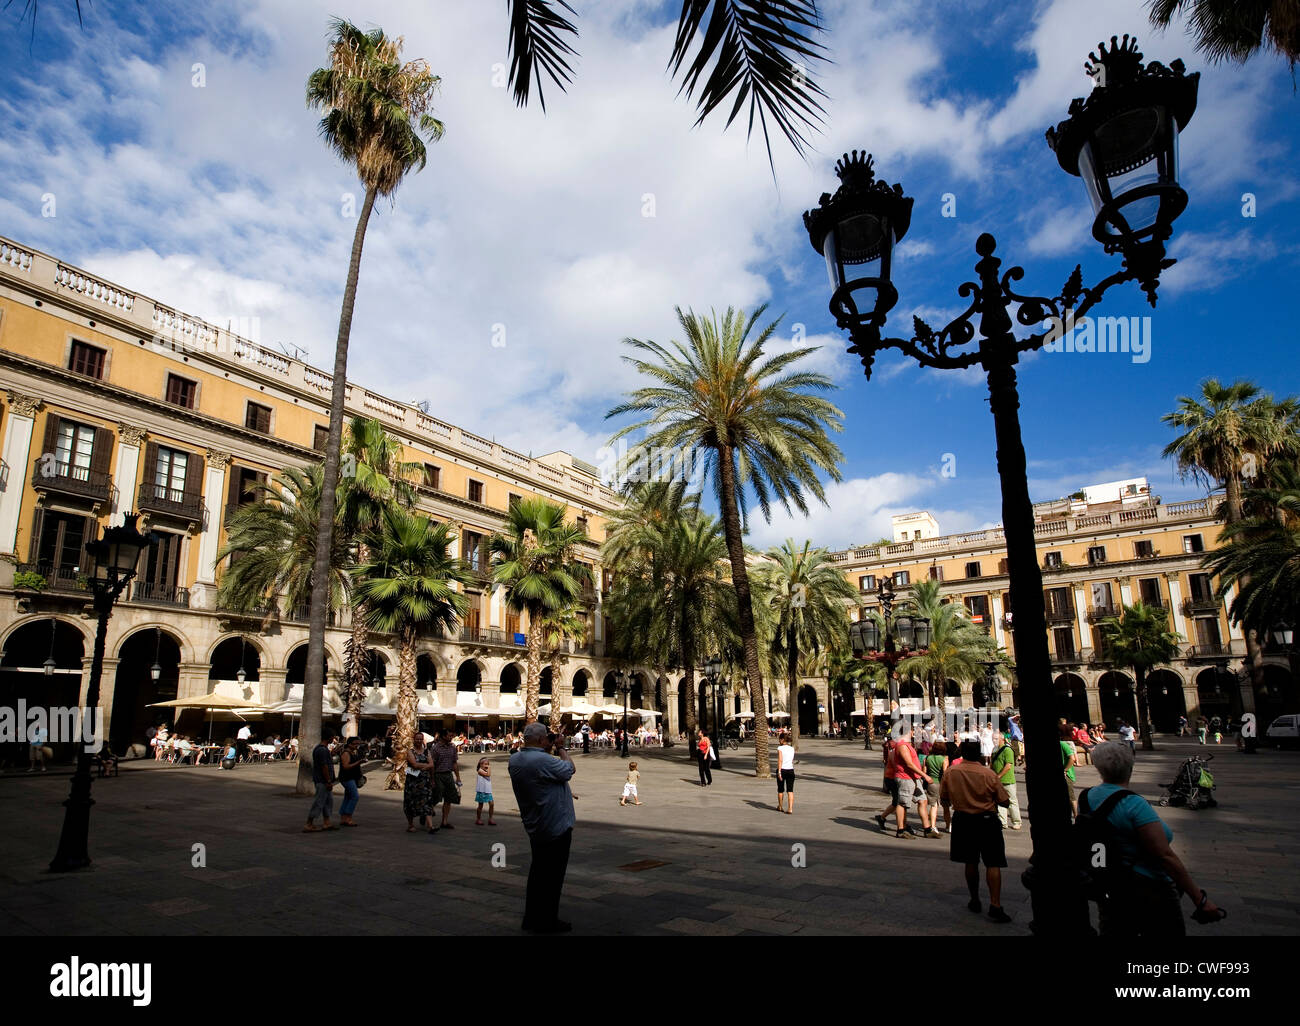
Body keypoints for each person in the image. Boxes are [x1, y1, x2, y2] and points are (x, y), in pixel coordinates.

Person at [1084, 742, 1225, 935]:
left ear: (1098, 768)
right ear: (1131, 768)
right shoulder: (1134, 804)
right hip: (1148, 887)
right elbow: (1164, 856)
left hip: (1110, 884)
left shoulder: (1086, 797)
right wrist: (1199, 898)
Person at [509, 721, 577, 934]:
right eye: (547, 737)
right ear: (541, 740)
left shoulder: (515, 760)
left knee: (538, 874)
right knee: (552, 878)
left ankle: (531, 918)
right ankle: (548, 920)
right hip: (555, 825)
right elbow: (569, 769)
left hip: (535, 824)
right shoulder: (543, 760)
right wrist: (561, 747)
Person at [941, 740, 1013, 923]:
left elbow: (944, 798)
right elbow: (1004, 800)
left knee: (970, 861)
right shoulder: (988, 774)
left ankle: (974, 899)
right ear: (979, 753)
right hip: (987, 821)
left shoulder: (951, 772)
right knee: (993, 862)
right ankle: (995, 905)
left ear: (962, 753)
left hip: (963, 821)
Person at [875, 722, 935, 839]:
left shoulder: (907, 744)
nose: (914, 732)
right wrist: (925, 775)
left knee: (922, 801)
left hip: (913, 777)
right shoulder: (901, 745)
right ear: (908, 731)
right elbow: (908, 764)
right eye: (913, 730)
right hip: (905, 778)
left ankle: (927, 829)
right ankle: (901, 830)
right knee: (901, 803)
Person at [990, 729, 1021, 829]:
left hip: (1008, 780)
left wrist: (998, 776)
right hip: (997, 781)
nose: (993, 740)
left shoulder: (1007, 750)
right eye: (993, 739)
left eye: (995, 739)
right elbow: (992, 764)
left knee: (1012, 801)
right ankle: (1002, 822)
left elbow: (1008, 766)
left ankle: (1016, 822)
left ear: (1002, 739)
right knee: (999, 801)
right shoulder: (994, 750)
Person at [431, 728, 462, 829]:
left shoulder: (452, 747)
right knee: (436, 797)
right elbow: (432, 764)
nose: (451, 737)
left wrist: (458, 777)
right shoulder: (436, 748)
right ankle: (427, 811)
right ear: (443, 736)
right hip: (438, 774)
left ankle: (444, 821)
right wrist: (432, 779)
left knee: (449, 798)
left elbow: (454, 763)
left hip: (448, 775)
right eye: (449, 736)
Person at [304, 736, 336, 832]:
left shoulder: (322, 749)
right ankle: (309, 823)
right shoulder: (322, 750)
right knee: (319, 801)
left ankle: (327, 822)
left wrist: (332, 753)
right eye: (332, 737)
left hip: (322, 780)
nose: (333, 739)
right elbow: (324, 766)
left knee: (328, 801)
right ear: (328, 737)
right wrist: (328, 780)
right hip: (322, 781)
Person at [404, 734, 435, 833]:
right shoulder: (410, 751)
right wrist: (426, 765)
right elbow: (413, 764)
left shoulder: (427, 751)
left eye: (421, 739)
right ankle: (410, 824)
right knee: (410, 802)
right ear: (414, 740)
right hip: (412, 782)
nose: (419, 741)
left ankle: (431, 826)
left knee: (427, 801)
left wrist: (432, 779)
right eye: (417, 739)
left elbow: (432, 765)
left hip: (425, 781)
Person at [923, 741, 951, 832]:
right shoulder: (944, 759)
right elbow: (944, 773)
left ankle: (933, 826)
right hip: (941, 784)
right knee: (946, 806)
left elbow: (924, 772)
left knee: (933, 806)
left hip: (931, 784)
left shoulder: (927, 758)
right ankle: (948, 826)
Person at [338, 736, 363, 827]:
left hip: (351, 777)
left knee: (348, 797)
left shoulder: (353, 752)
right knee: (354, 796)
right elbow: (346, 766)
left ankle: (343, 817)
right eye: (355, 744)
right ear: (349, 744)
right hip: (347, 778)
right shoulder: (346, 753)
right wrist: (358, 762)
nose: (356, 746)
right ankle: (348, 817)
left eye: (358, 744)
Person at [1061, 723, 1078, 819]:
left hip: (1067, 774)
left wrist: (1065, 770)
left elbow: (1072, 759)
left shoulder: (1063, 744)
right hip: (1066, 773)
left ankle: (1076, 815)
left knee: (1071, 796)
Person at [776, 734, 795, 814]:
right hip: (790, 770)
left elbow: (780, 760)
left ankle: (780, 806)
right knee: (790, 790)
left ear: (782, 739)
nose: (779, 741)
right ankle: (790, 809)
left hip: (782, 770)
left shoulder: (780, 748)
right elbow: (792, 760)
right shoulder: (792, 748)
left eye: (779, 739)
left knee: (780, 790)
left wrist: (779, 772)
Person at [475, 757, 497, 825]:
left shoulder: (486, 770)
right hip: (481, 790)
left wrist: (488, 768)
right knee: (480, 805)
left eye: (488, 764)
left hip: (488, 791)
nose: (487, 765)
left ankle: (490, 819)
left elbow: (488, 774)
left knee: (492, 804)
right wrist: (489, 768)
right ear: (481, 764)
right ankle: (478, 819)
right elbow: (488, 775)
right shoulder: (480, 770)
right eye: (485, 764)